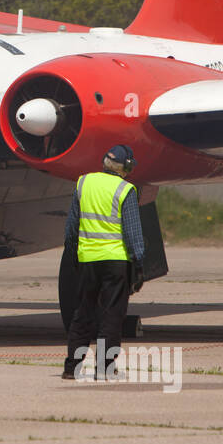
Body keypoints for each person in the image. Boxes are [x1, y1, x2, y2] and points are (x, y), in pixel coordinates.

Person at [62, 144, 145, 380]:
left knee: (83, 313)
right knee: (111, 316)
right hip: (116, 262)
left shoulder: (83, 183)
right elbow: (132, 232)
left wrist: (73, 254)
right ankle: (104, 367)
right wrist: (138, 262)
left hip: (87, 259)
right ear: (125, 167)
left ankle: (72, 368)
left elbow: (71, 228)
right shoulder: (126, 189)